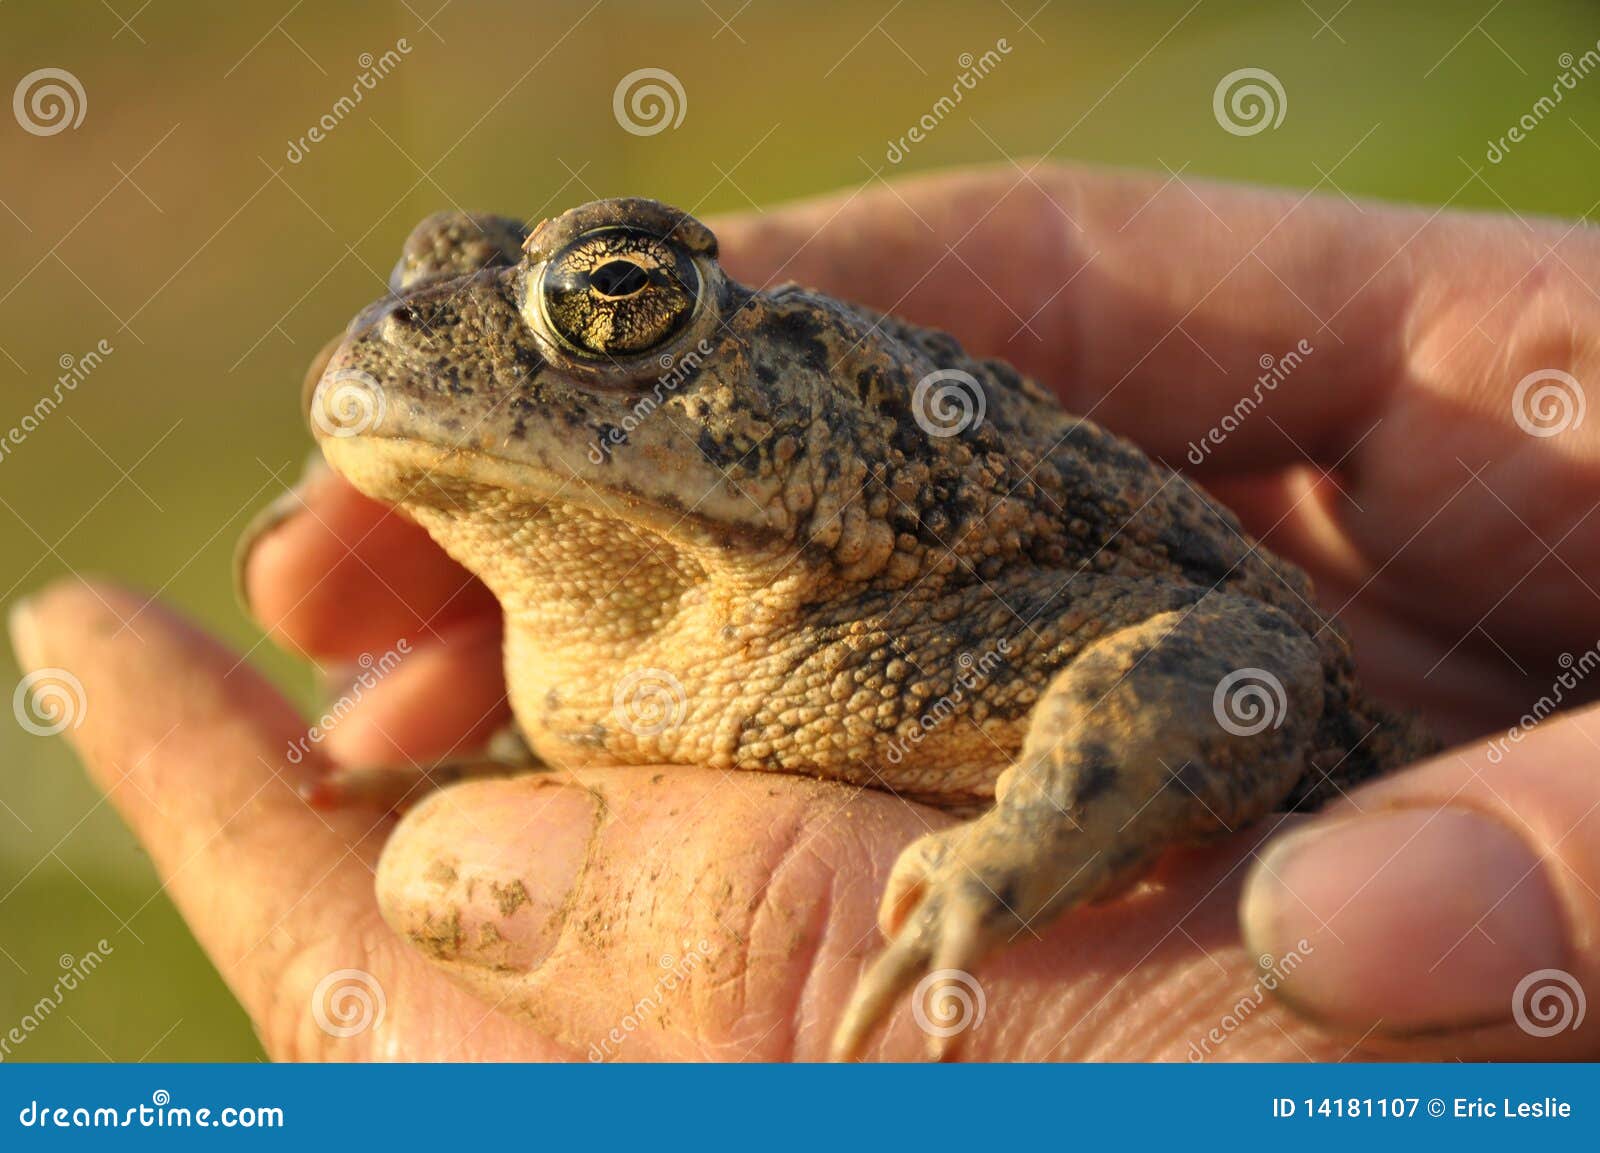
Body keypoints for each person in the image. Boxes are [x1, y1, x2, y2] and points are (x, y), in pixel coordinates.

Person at [13, 164, 1599, 1060]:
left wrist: (1027, 840)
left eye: (610, 306)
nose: (423, 336)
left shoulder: (910, 604)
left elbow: (1254, 656)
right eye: (432, 293)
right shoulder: (586, 609)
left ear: (783, 403)